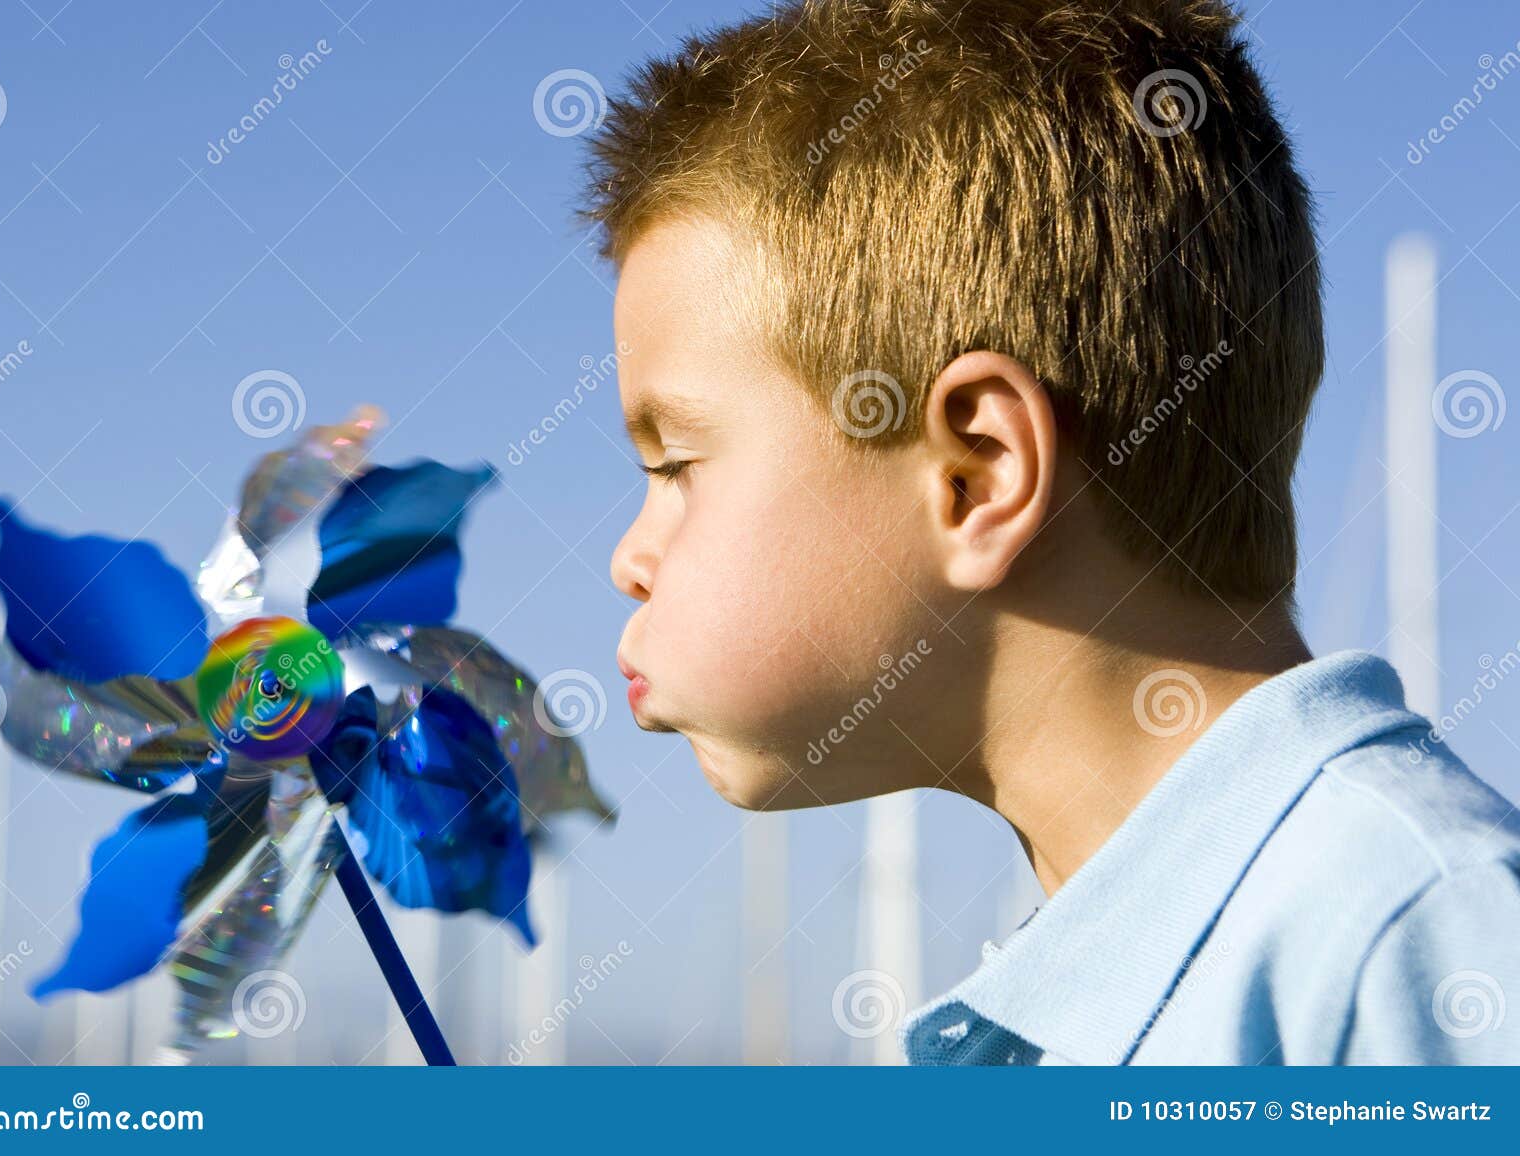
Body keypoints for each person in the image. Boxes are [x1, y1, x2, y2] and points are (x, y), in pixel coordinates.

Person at [585, 0, 1520, 1064]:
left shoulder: (1412, 947)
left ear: (976, 475)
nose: (629, 558)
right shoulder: (1083, 1007)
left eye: (675, 466)